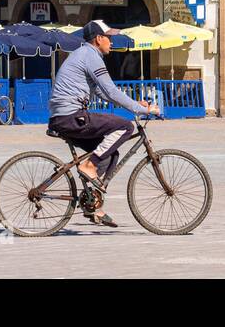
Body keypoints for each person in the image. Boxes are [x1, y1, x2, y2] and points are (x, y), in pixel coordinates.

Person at [47, 20, 158, 227]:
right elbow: (111, 91)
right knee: (126, 127)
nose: (112, 42)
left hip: (66, 116)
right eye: (110, 37)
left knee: (110, 154)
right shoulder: (90, 56)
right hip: (70, 116)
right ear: (98, 39)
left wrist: (136, 103)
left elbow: (101, 92)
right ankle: (88, 166)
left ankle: (94, 207)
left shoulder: (85, 55)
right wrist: (141, 109)